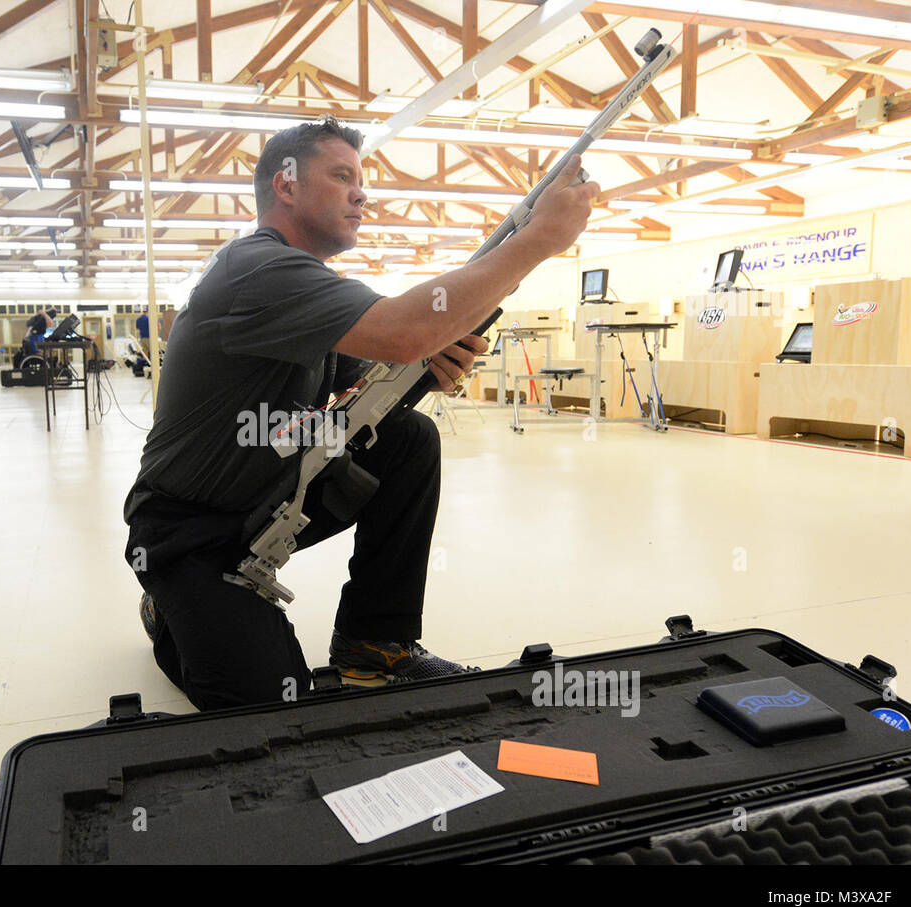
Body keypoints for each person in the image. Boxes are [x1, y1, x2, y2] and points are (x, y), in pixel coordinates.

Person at [123, 116, 598, 712]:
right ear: (287, 186)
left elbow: (378, 378)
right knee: (271, 710)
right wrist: (534, 242)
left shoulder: (310, 287)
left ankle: (375, 643)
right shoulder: (255, 269)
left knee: (407, 438)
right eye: (342, 175)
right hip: (190, 530)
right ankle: (171, 607)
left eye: (360, 178)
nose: (360, 193)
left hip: (271, 498)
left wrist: (430, 361)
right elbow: (404, 330)